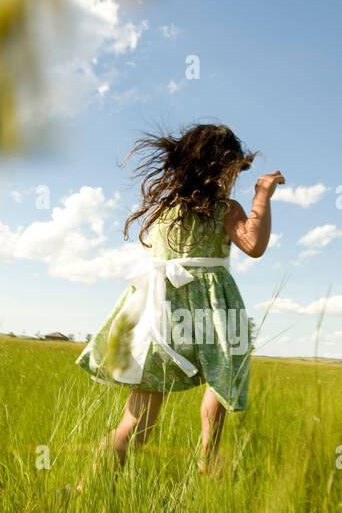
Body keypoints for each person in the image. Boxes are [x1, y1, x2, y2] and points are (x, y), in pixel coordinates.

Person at [76, 122, 284, 470]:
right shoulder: (224, 208)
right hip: (211, 308)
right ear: (222, 166)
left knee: (137, 423)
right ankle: (209, 455)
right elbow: (254, 245)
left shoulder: (164, 209)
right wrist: (262, 194)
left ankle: (87, 488)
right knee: (221, 375)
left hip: (156, 312)